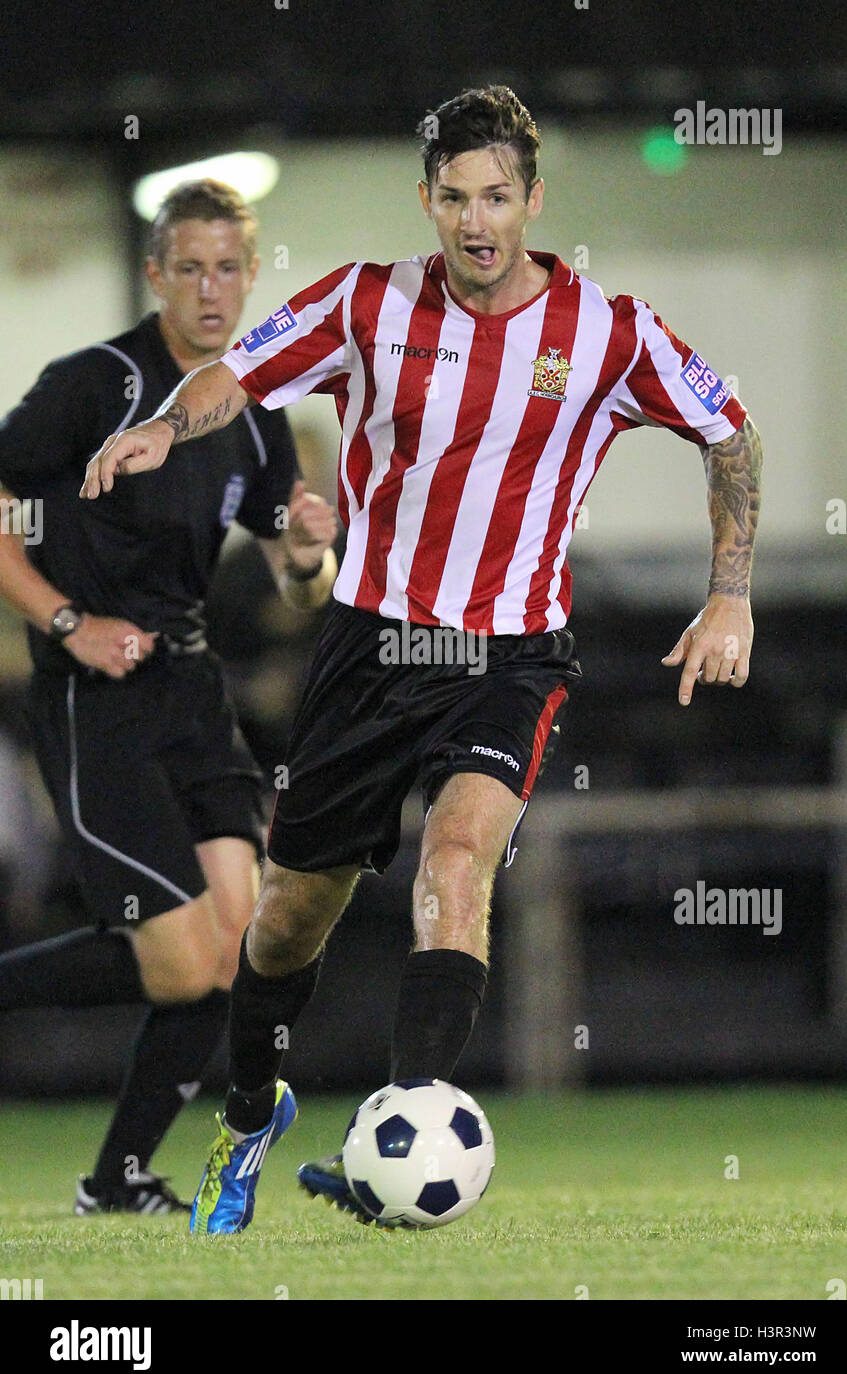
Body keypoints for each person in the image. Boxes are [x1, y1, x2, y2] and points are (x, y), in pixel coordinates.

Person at [81, 86, 763, 1235]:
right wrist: (162, 425)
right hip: (371, 646)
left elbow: (728, 429)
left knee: (457, 865)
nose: (476, 220)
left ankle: (398, 1132)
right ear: (427, 201)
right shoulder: (364, 304)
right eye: (454, 197)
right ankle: (249, 1113)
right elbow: (235, 374)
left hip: (510, 653)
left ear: (532, 200)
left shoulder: (606, 330)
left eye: (496, 195)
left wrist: (730, 594)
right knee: (291, 917)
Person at [0, 178, 337, 1214]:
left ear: (248, 275)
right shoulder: (90, 384)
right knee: (183, 964)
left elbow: (293, 574)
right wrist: (67, 622)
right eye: (188, 266)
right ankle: (116, 1168)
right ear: (155, 275)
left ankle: (114, 1181)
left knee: (236, 952)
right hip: (92, 694)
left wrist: (313, 553)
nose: (209, 287)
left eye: (227, 267)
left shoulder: (252, 410)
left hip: (193, 692)